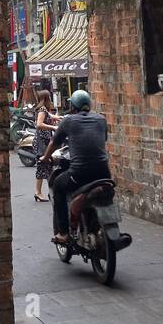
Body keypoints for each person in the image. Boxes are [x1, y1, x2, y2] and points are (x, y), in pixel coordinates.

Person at [40, 89, 110, 242]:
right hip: (104, 172)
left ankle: (64, 233)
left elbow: (54, 142)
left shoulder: (69, 121)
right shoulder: (101, 119)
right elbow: (102, 139)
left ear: (73, 106)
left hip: (79, 173)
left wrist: (45, 158)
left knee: (58, 187)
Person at [33, 89, 58, 202]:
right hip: (41, 141)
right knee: (43, 165)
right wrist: (53, 127)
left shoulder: (43, 109)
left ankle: (50, 192)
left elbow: (50, 116)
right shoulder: (42, 110)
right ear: (46, 98)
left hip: (45, 140)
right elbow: (39, 124)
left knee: (48, 165)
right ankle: (38, 192)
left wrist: (59, 118)